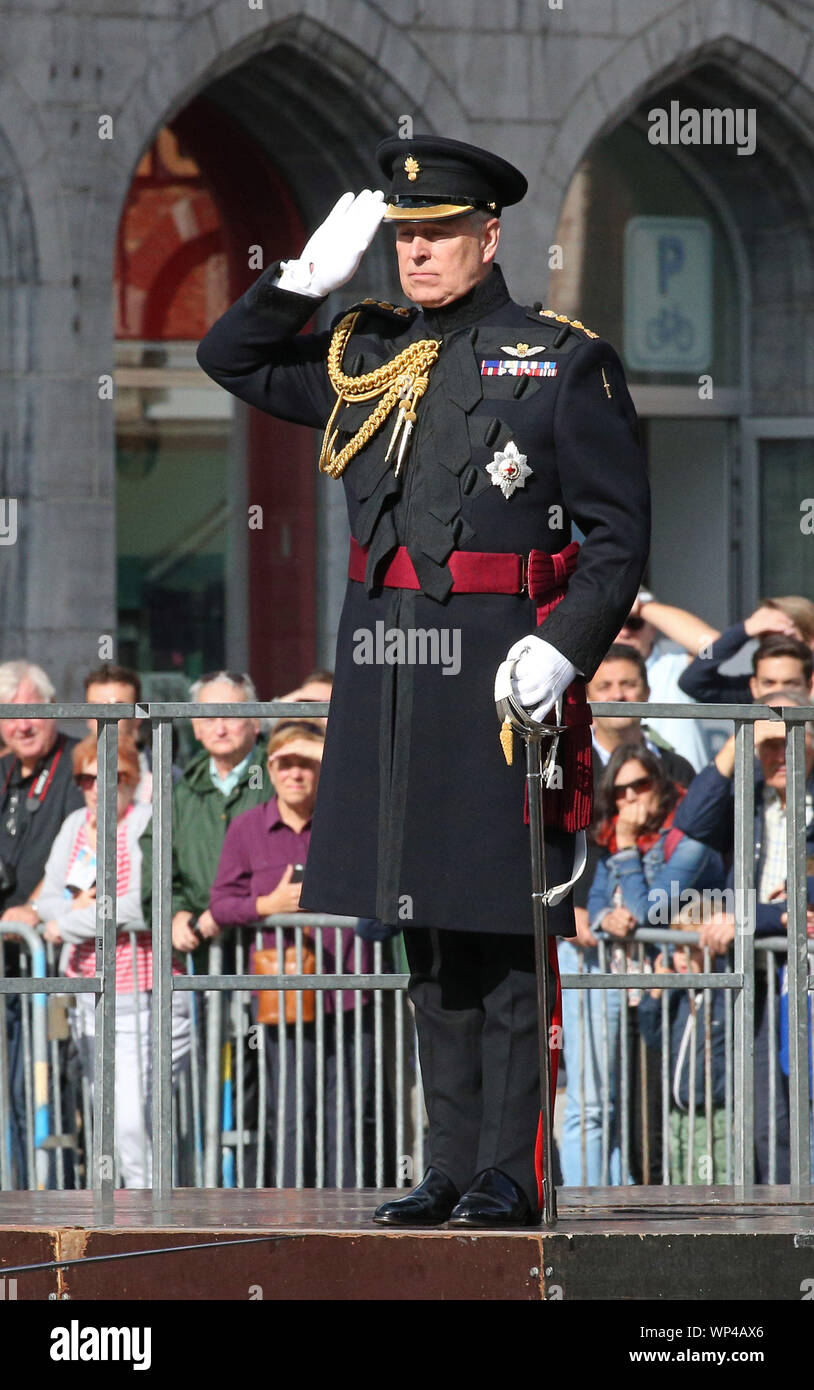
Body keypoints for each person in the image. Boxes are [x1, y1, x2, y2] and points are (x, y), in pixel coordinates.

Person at [196, 134, 650, 1226]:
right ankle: (447, 1160)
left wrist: (565, 644)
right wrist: (299, 279)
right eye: (404, 236)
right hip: (387, 675)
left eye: (440, 233)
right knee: (425, 933)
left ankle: (509, 1167)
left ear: (489, 236)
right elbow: (233, 359)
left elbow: (617, 533)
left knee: (501, 931)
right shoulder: (364, 350)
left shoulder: (556, 359)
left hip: (496, 679)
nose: (418, 253)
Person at [210, 719, 373, 1185]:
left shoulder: (350, 825)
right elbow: (220, 903)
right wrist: (267, 906)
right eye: (285, 763)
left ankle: (345, 1215)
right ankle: (291, 1216)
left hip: (350, 992)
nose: (296, 774)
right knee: (288, 1110)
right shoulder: (247, 829)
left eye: (308, 763)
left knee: (347, 1113)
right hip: (282, 995)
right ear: (270, 768)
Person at [560, 744, 722, 1186]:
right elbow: (598, 902)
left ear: (662, 787)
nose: (630, 798)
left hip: (668, 992)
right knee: (600, 1106)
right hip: (616, 984)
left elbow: (647, 909)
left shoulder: (687, 843)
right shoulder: (613, 838)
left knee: (643, 1117)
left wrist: (628, 849)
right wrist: (602, 919)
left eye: (640, 785)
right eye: (620, 792)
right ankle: (595, 1208)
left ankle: (630, 1211)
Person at [36, 735, 190, 1186]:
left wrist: (71, 921)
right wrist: (75, 911)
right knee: (108, 1124)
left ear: (132, 780)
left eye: (113, 777)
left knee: (134, 1122)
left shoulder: (145, 822)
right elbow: (46, 901)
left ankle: (152, 1221)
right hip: (89, 995)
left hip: (146, 996)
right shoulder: (73, 826)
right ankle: (128, 1219)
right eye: (87, 778)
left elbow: (141, 906)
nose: (98, 788)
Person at [674, 689, 814, 1182]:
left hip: (803, 978)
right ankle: (781, 1230)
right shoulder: (749, 794)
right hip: (761, 980)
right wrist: (738, 744)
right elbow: (690, 822)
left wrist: (752, 916)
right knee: (766, 1120)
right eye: (767, 745)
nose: (779, 755)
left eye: (792, 740)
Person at [0, 660, 84, 1185]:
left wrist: (32, 909)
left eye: (33, 712)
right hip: (8, 965)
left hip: (57, 959)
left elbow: (88, 853)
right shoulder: (3, 770)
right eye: (10, 715)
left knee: (54, 1080)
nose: (22, 725)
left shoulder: (80, 765)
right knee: (11, 1082)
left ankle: (55, 1191)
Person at [139, 670, 273, 951]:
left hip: (270, 944)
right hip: (201, 951)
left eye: (230, 716)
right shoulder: (180, 793)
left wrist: (237, 909)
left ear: (256, 722)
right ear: (196, 729)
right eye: (209, 719)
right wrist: (174, 913)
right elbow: (158, 863)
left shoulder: (280, 780)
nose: (220, 729)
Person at [637, 917, 728, 1184]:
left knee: (712, 1184)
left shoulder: (721, 996)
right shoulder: (678, 995)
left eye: (693, 950)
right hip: (678, 1111)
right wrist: (655, 994)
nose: (684, 959)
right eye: (678, 950)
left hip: (712, 1114)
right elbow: (653, 1038)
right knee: (678, 1180)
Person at [614, 591, 716, 772]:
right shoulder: (591, 673)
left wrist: (642, 607)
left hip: (684, 790)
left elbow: (713, 647)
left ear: (652, 628)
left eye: (633, 623)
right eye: (615, 622)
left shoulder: (674, 664)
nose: (624, 632)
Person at [679, 600, 814, 706]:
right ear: (754, 686)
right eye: (765, 637)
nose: (779, 691)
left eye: (792, 683)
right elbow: (691, 681)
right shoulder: (762, 688)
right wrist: (743, 630)